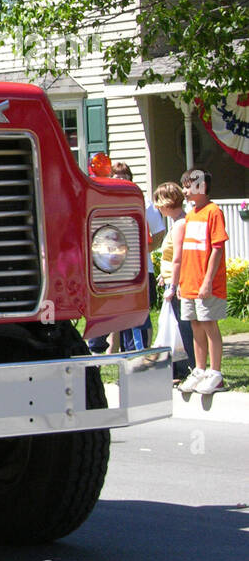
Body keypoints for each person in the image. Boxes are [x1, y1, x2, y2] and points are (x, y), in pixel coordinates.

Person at [172, 168, 228, 395]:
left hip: (207, 285)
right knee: (194, 325)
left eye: (189, 186)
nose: (184, 191)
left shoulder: (213, 212)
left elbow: (217, 249)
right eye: (184, 186)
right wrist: (180, 283)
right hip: (189, 283)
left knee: (209, 324)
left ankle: (216, 373)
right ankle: (200, 368)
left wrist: (207, 281)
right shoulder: (191, 215)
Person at [109, 162, 166, 351]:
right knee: (120, 315)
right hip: (115, 271)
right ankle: (124, 354)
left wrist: (140, 252)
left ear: (131, 180)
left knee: (141, 314)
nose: (121, 181)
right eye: (117, 177)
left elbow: (158, 234)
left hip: (141, 270)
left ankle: (142, 353)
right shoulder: (105, 202)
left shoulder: (144, 203)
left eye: (125, 177)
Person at [154, 181, 195, 381]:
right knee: (176, 326)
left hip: (177, 283)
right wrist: (165, 274)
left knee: (182, 327)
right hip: (170, 278)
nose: (158, 208)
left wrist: (174, 285)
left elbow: (179, 257)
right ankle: (180, 367)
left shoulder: (180, 224)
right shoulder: (176, 222)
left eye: (159, 203)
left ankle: (187, 366)